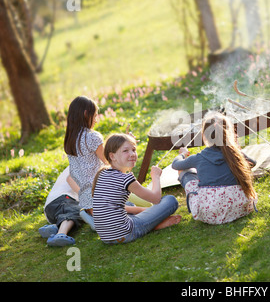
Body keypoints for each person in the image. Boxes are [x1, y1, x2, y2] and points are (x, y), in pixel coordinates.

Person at [92, 133, 181, 244]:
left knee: (128, 204)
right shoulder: (126, 179)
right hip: (126, 233)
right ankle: (156, 224)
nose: (132, 154)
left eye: (133, 150)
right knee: (170, 200)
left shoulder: (102, 174)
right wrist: (155, 177)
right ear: (112, 156)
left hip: (106, 236)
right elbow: (156, 199)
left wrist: (147, 211)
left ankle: (152, 220)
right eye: (125, 151)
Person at [171, 112, 257, 225]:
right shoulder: (235, 154)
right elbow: (253, 163)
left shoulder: (199, 157)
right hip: (241, 207)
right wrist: (237, 153)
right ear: (228, 133)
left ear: (204, 136)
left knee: (185, 172)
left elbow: (176, 165)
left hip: (210, 213)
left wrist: (182, 154)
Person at [64, 96, 107, 230]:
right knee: (133, 208)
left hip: (86, 199)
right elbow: (109, 162)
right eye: (94, 115)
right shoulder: (92, 136)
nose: (96, 119)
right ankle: (99, 221)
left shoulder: (70, 139)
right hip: (100, 193)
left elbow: (71, 176)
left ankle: (91, 215)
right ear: (85, 114)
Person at [39, 167, 83, 246]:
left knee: (80, 214)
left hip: (53, 208)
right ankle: (61, 234)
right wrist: (85, 197)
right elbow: (70, 179)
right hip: (63, 198)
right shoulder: (87, 162)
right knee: (74, 212)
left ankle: (54, 228)